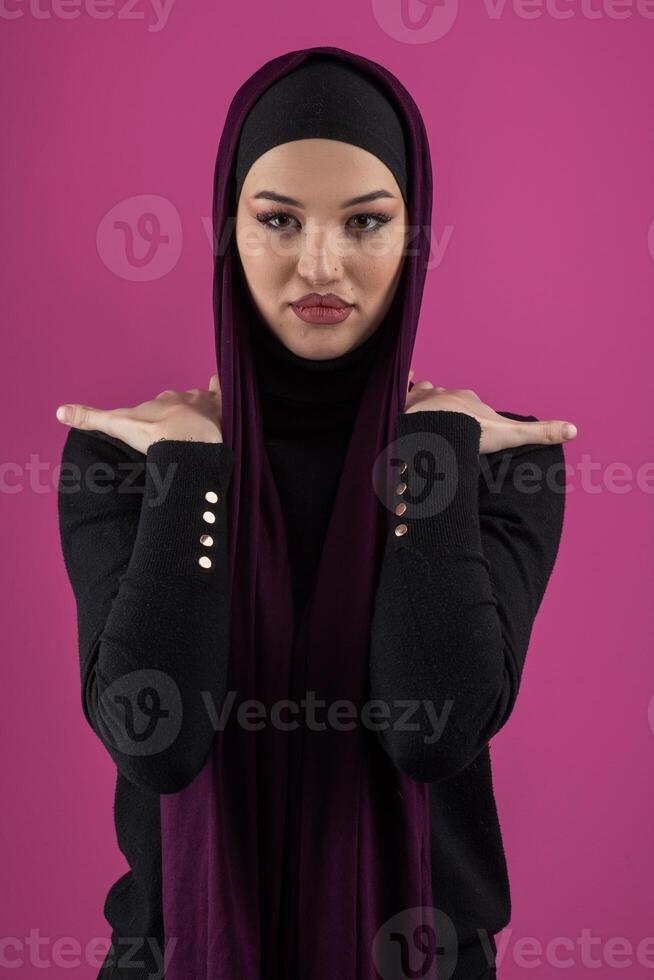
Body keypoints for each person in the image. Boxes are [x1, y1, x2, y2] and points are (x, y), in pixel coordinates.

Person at [56, 46, 575, 980]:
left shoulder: (497, 464)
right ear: (229, 230)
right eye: (279, 221)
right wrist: (192, 472)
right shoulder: (129, 460)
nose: (320, 264)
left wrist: (433, 458)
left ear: (414, 237)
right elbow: (158, 742)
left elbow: (437, 727)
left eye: (367, 222)